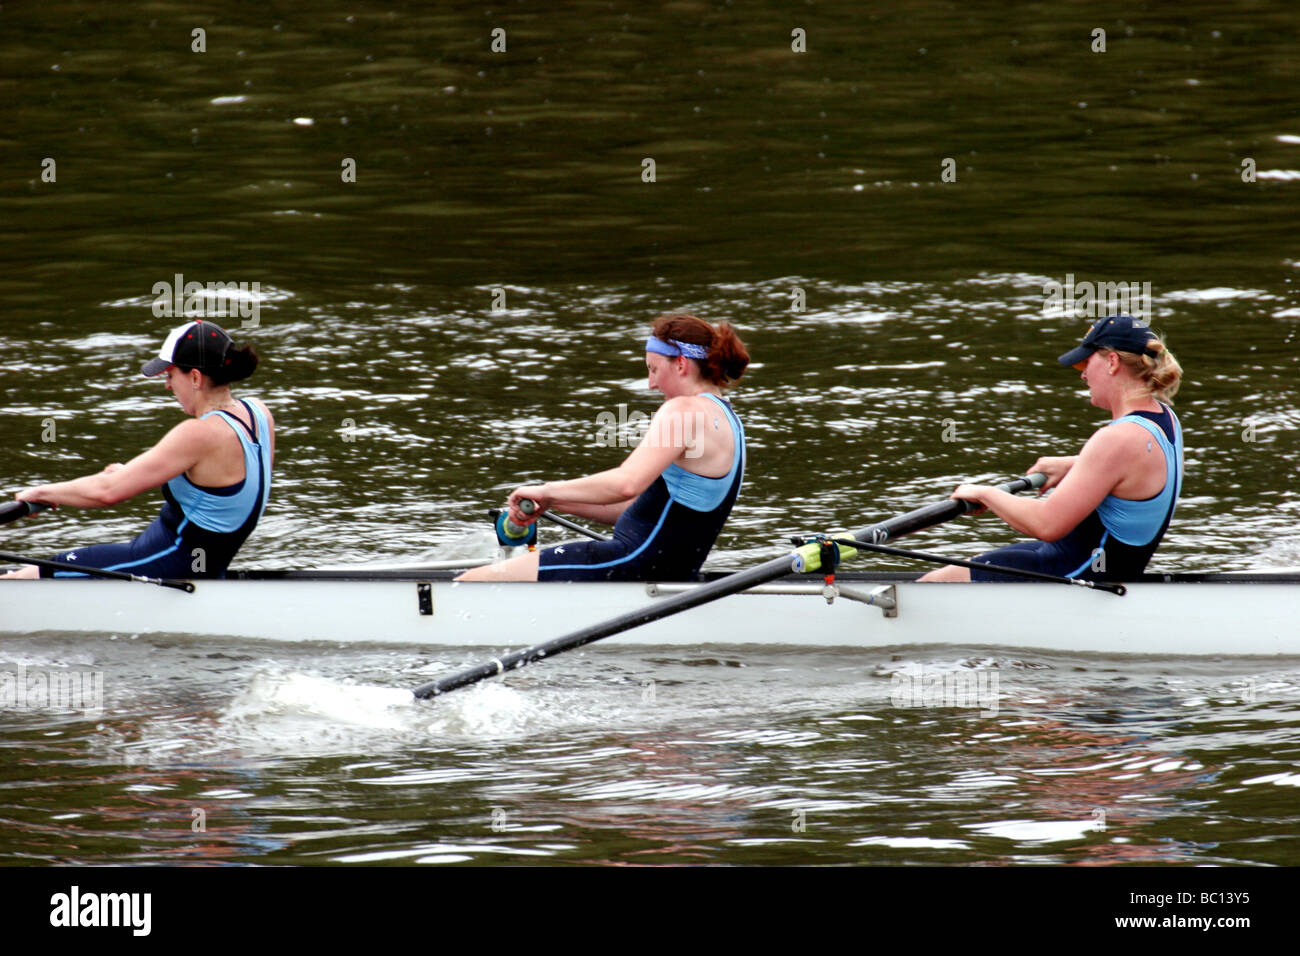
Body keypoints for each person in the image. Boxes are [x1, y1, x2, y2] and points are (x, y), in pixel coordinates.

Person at [458, 313, 749, 582]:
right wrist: (555, 502)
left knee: (469, 582)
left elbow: (626, 484)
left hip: (631, 563)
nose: (650, 384)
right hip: (667, 570)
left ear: (681, 364)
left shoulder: (682, 410)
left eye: (653, 369)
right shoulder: (727, 418)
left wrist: (547, 489)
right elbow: (643, 509)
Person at [2, 319, 274, 580]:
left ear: (194, 377)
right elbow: (216, 490)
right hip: (206, 566)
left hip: (165, 563)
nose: (167, 385)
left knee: (33, 573)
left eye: (169, 375)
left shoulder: (198, 433)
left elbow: (107, 493)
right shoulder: (259, 414)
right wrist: (131, 473)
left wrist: (42, 492)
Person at [920, 314, 1183, 583]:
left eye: (1086, 362)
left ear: (1112, 362)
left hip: (1078, 576)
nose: (1082, 374)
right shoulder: (1164, 419)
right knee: (953, 571)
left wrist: (984, 493)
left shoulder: (1115, 439)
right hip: (1093, 564)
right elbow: (1138, 469)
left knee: (935, 584)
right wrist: (1075, 465)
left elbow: (1046, 523)